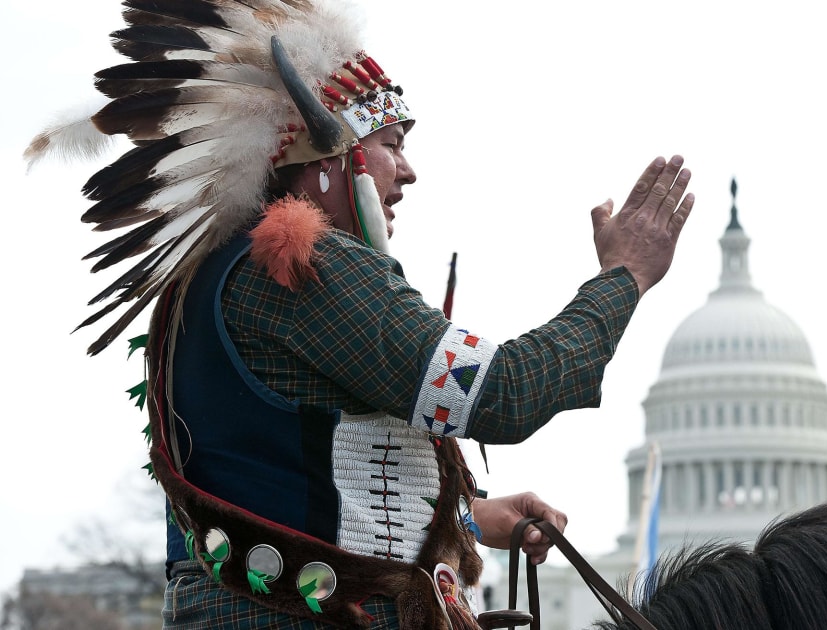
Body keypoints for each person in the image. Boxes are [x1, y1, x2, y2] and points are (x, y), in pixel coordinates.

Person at [26, 1, 693, 629]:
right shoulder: (296, 261)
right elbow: (503, 393)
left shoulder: (214, 274)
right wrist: (623, 277)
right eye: (392, 143)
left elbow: (290, 474)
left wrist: (468, 516)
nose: (409, 171)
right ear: (330, 157)